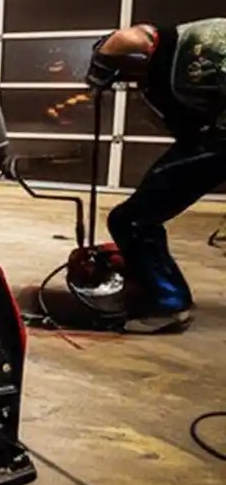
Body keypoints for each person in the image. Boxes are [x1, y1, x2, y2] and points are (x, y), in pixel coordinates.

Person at [87, 19, 226, 333]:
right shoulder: (180, 40)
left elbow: (194, 129)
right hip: (217, 134)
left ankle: (168, 303)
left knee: (132, 219)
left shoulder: (193, 57)